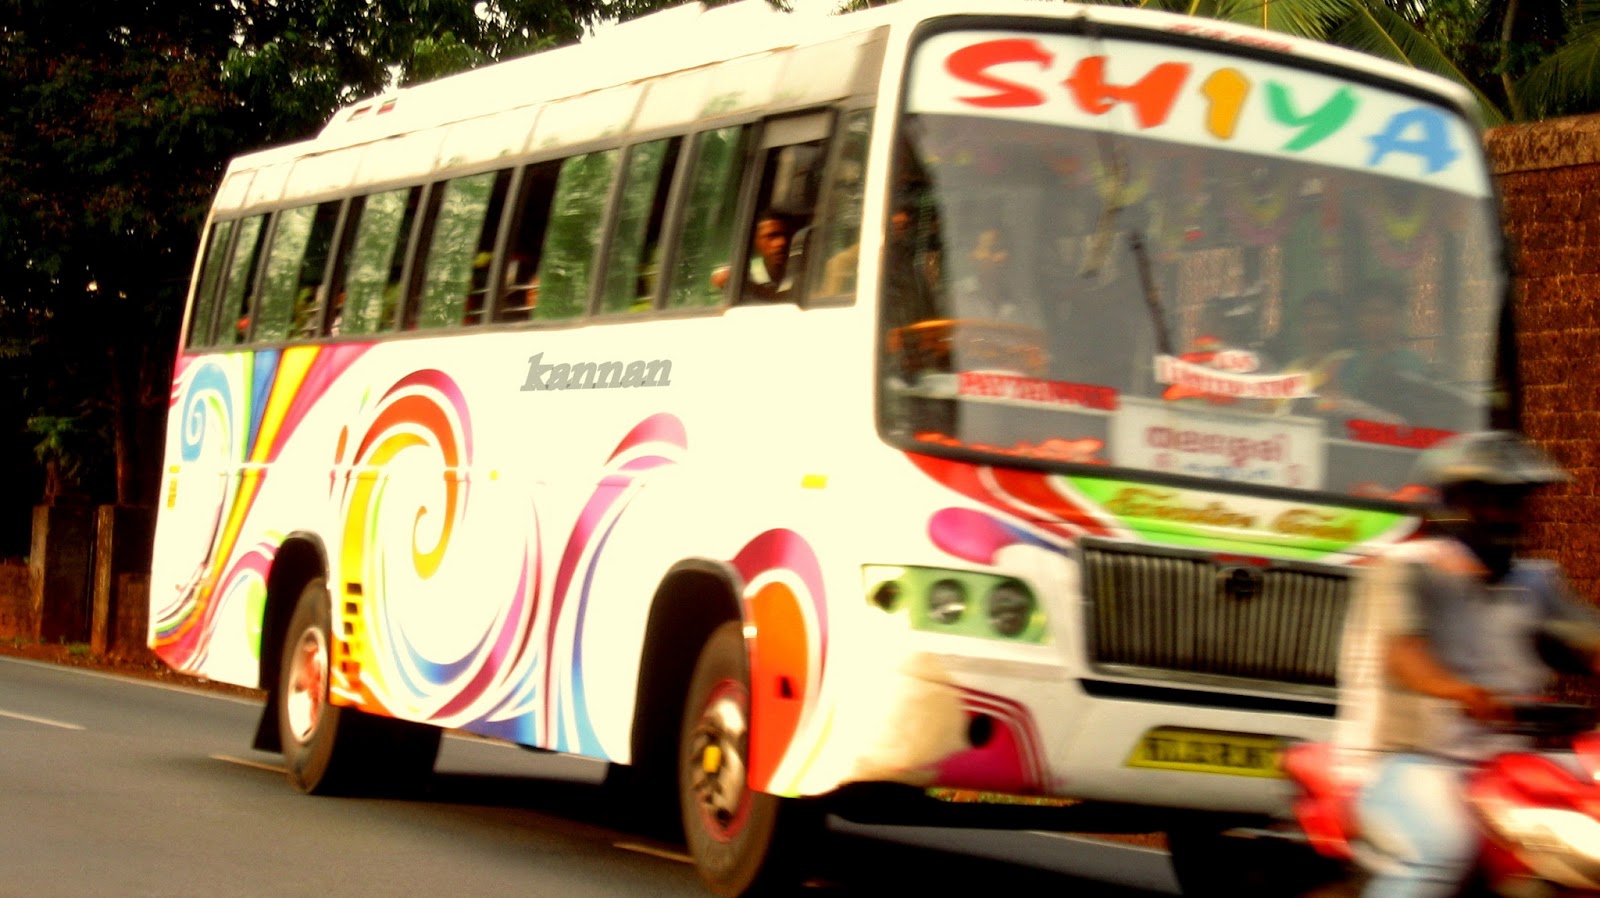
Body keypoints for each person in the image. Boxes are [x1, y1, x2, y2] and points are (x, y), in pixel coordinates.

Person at [1333, 430, 1600, 898]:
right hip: (1407, 760)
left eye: (1516, 500)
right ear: (1452, 502)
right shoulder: (1406, 569)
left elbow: (1590, 641)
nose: (1505, 513)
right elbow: (1406, 658)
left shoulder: (1535, 581)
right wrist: (1459, 690)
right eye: (1490, 500)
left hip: (1508, 758)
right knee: (1441, 850)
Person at [711, 210, 794, 302]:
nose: (781, 242)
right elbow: (720, 277)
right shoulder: (743, 273)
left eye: (786, 235)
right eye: (771, 236)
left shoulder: (803, 271)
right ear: (757, 242)